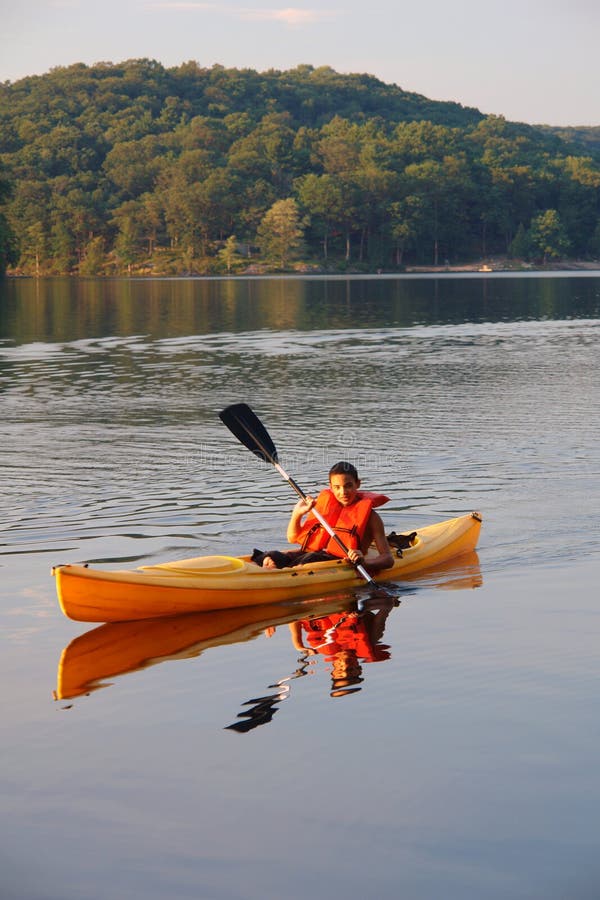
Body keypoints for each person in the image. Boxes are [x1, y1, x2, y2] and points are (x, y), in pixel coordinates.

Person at [251, 461, 394, 573]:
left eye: (348, 486)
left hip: (336, 561)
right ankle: (271, 568)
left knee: (311, 559)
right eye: (337, 487)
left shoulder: (371, 517)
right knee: (271, 555)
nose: (343, 492)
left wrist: (364, 562)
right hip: (311, 555)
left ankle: (275, 574)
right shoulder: (323, 507)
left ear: (358, 484)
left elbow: (388, 559)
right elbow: (292, 538)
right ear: (331, 487)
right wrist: (297, 513)